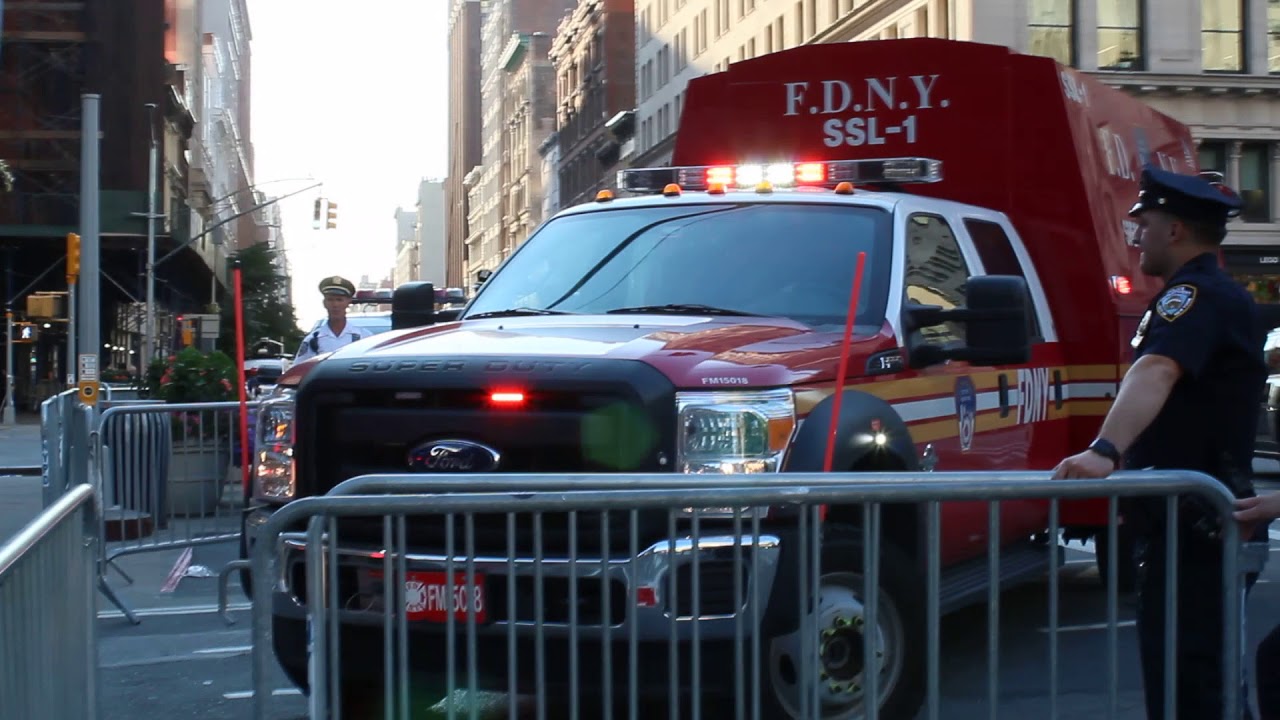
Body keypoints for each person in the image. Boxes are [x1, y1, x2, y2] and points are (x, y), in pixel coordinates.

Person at [1051, 164, 1266, 719]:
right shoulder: (1206, 294)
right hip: (1191, 523)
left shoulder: (1196, 294)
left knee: (1199, 690)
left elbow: (1158, 370)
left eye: (1144, 223)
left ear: (1175, 230)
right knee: (1190, 684)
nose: (1136, 234)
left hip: (1200, 527)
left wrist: (1103, 452)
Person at [293, 275, 375, 362]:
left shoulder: (364, 338)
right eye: (330, 300)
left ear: (348, 302)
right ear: (324, 303)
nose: (335, 304)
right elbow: (299, 369)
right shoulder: (313, 340)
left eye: (339, 300)